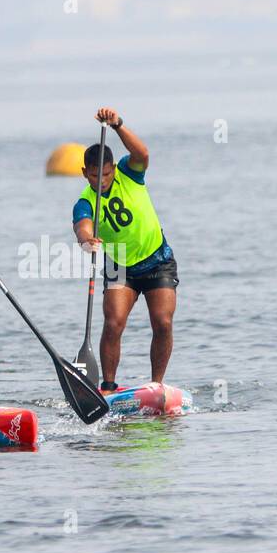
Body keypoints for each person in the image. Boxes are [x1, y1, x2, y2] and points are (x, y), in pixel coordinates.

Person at [73, 107, 177, 392]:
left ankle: (157, 386)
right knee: (114, 322)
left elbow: (143, 154)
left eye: (105, 175)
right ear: (85, 173)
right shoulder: (85, 201)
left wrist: (118, 125)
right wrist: (87, 241)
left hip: (157, 259)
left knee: (163, 322)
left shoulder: (129, 174)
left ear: (113, 170)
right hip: (119, 266)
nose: (100, 181)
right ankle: (108, 387)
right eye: (94, 176)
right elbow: (82, 226)